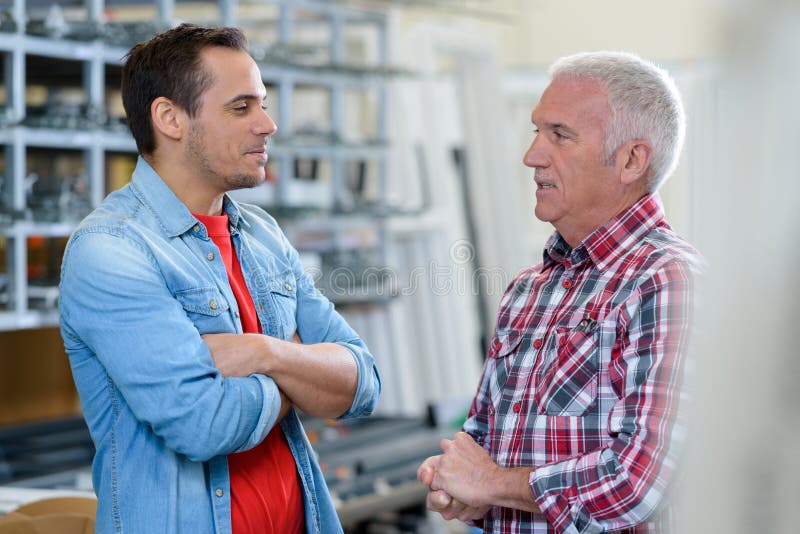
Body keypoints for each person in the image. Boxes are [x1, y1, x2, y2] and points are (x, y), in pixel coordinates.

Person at [59, 24, 380, 534]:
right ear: (170, 118)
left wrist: (265, 353)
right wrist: (304, 368)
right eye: (242, 107)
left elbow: (363, 381)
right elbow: (204, 422)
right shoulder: (111, 250)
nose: (268, 124)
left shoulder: (262, 235)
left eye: (264, 103)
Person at [418, 51, 703, 533]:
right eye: (536, 131)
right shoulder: (528, 291)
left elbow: (637, 483)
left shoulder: (666, 281)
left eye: (560, 135)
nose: (532, 156)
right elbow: (482, 441)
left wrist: (490, 483)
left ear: (631, 159)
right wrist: (454, 481)